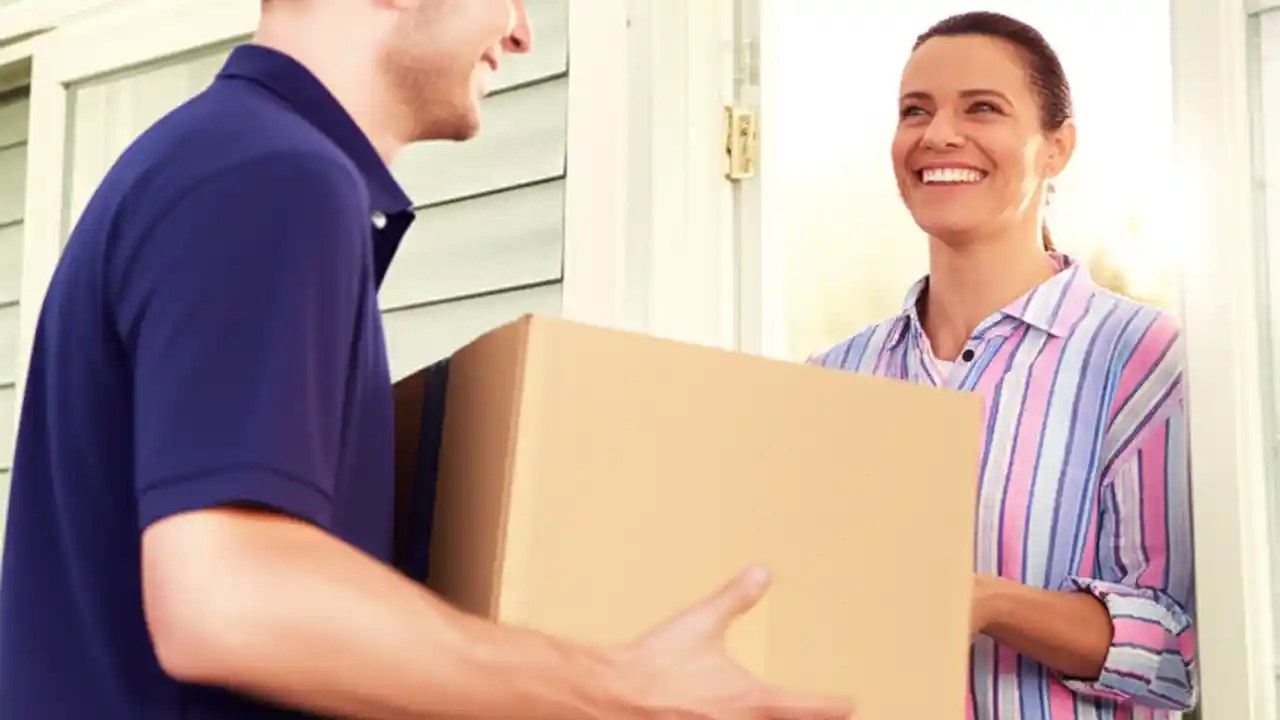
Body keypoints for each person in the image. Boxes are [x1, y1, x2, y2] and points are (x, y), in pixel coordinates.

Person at [0, 2, 853, 719]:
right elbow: (230, 600)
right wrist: (624, 688)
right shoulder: (274, 176)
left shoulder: (224, 160)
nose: (521, 32)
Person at [808, 11, 1197, 719]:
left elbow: (1177, 649)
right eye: (914, 112)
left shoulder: (1141, 359)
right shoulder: (832, 378)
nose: (937, 135)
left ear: (1056, 149)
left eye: (981, 108)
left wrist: (988, 603)